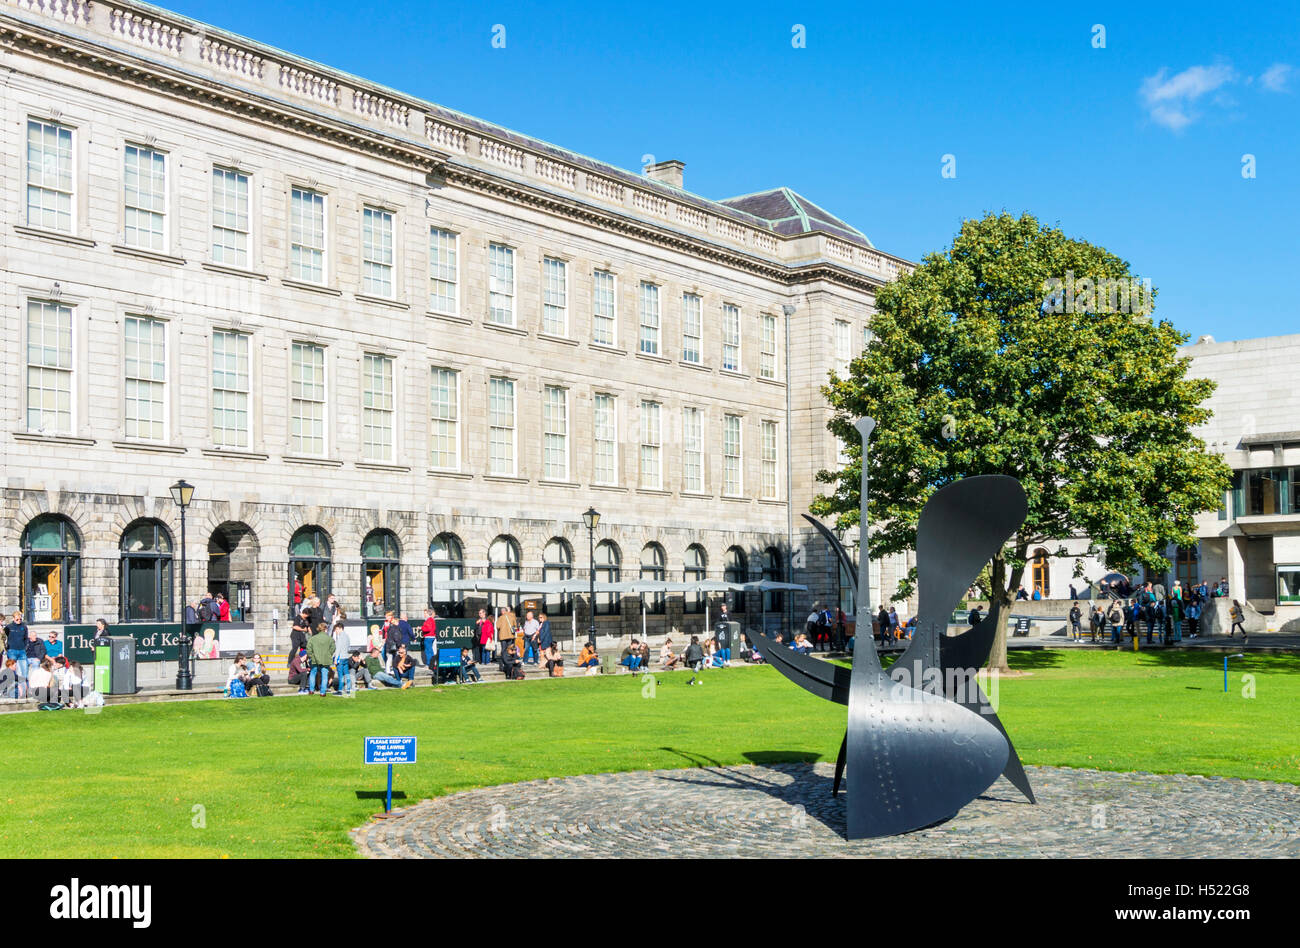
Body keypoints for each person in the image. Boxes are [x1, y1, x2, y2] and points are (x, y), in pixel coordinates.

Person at [307, 622, 335, 696]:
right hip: (325, 659)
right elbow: (333, 648)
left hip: (314, 659)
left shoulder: (313, 638)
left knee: (312, 674)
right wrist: (329, 655)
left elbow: (308, 649)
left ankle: (311, 690)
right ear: (325, 629)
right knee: (324, 675)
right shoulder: (329, 639)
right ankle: (322, 692)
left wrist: (312, 656)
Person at [5, 611, 31, 683]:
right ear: (13, 619)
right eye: (17, 619)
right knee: (12, 671)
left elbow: (26, 638)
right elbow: (3, 637)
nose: (19, 621)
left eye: (20, 619)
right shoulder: (9, 627)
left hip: (22, 651)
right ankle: (12, 687)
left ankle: (25, 689)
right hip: (12, 650)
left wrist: (25, 647)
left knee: (25, 671)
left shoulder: (24, 627)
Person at [333, 617, 353, 696]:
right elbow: (348, 646)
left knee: (340, 674)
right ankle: (348, 689)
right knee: (347, 674)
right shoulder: (347, 636)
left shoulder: (340, 637)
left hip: (340, 658)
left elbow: (338, 649)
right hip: (346, 657)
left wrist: (335, 659)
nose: (336, 631)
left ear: (340, 628)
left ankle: (340, 690)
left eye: (336, 629)